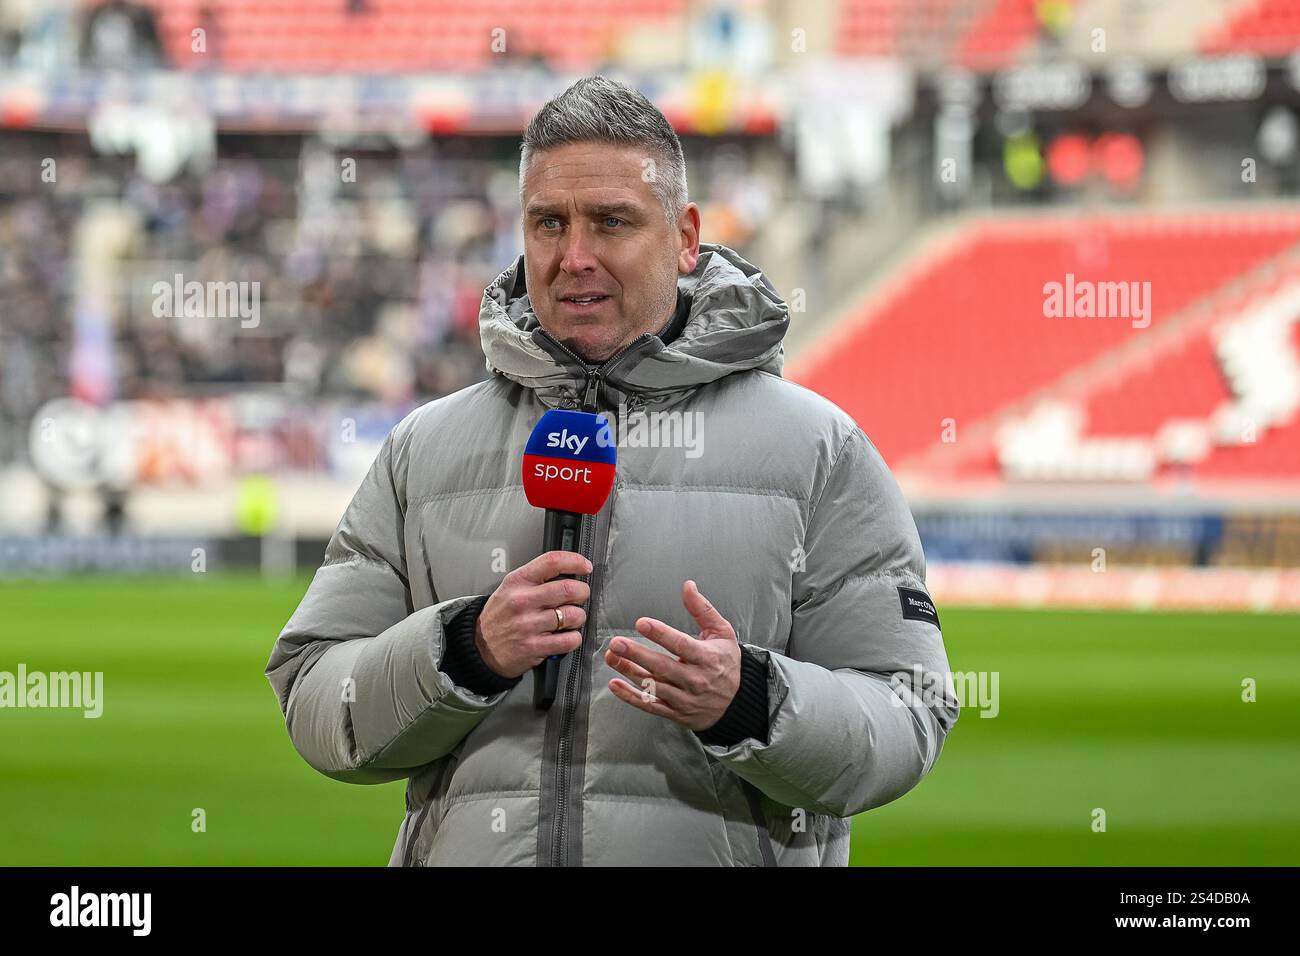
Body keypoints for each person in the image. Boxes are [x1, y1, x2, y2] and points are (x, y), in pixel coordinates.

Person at [265, 75, 959, 866]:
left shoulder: (818, 450)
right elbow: (316, 694)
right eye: (548, 223)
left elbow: (910, 709)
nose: (574, 257)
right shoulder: (426, 449)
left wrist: (751, 701)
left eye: (611, 222)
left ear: (686, 236)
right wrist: (462, 651)